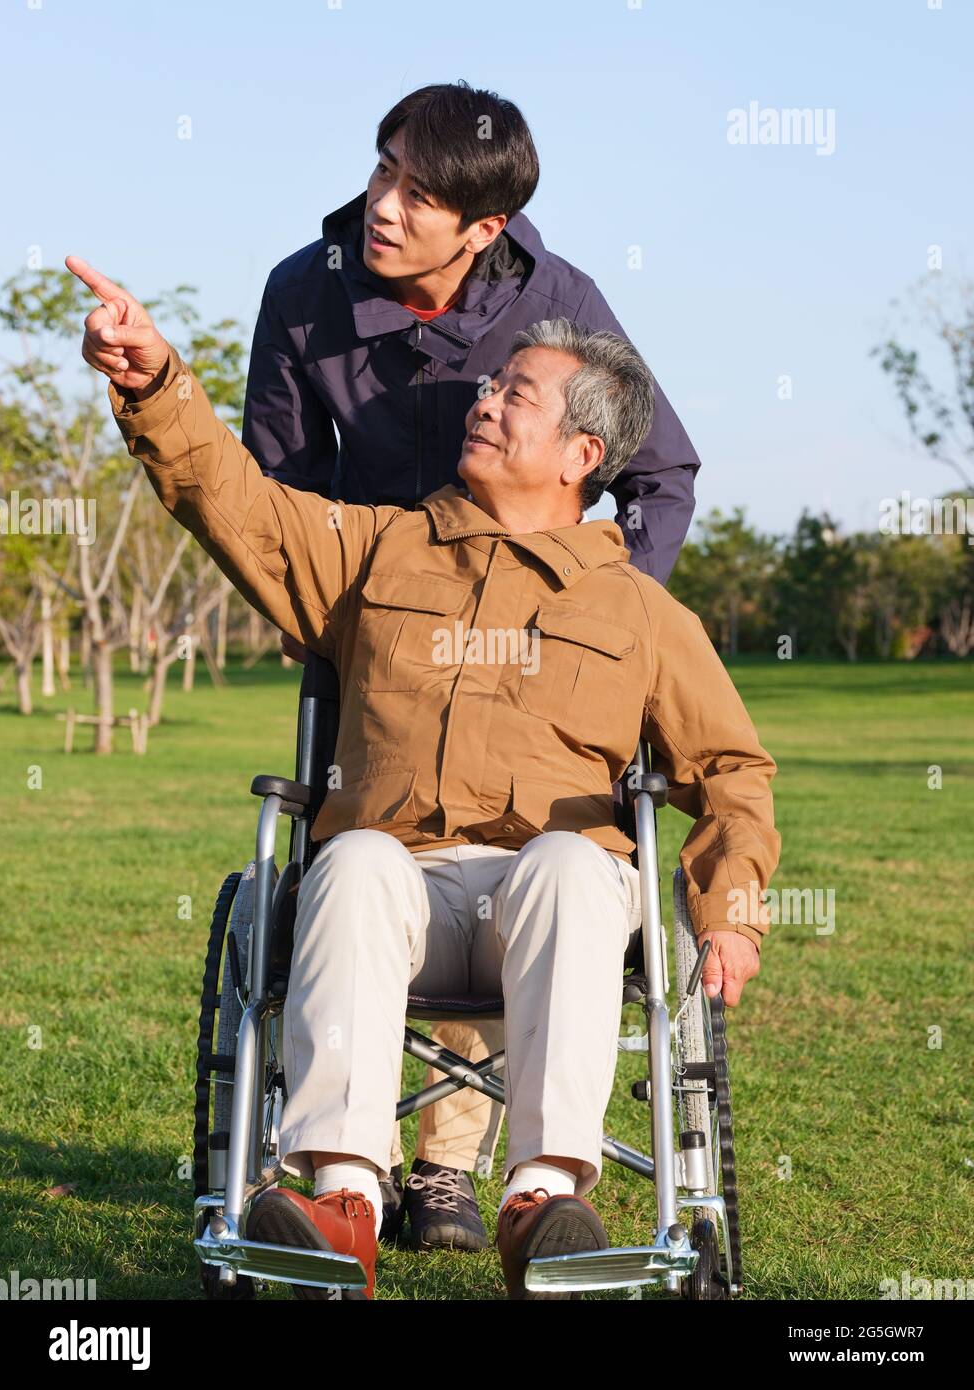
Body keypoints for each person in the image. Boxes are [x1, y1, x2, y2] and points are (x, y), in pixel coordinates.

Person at [70, 253, 780, 1301]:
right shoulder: (377, 551)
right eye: (490, 386)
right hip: (397, 887)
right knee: (349, 857)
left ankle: (544, 1200)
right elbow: (238, 504)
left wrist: (731, 908)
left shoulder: (639, 612)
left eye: (513, 394)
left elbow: (728, 767)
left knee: (575, 868)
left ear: (582, 452)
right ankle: (343, 1198)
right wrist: (154, 380)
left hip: (548, 902)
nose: (483, 401)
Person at [239, 80, 703, 1249]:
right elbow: (272, 494)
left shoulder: (555, 303)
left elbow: (663, 474)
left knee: (530, 835)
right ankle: (342, 1172)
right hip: (382, 602)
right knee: (391, 848)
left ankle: (452, 1163)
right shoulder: (304, 293)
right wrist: (350, 607)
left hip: (541, 635)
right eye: (382, 168)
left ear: (483, 228)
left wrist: (593, 630)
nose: (383, 205)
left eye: (420, 192)